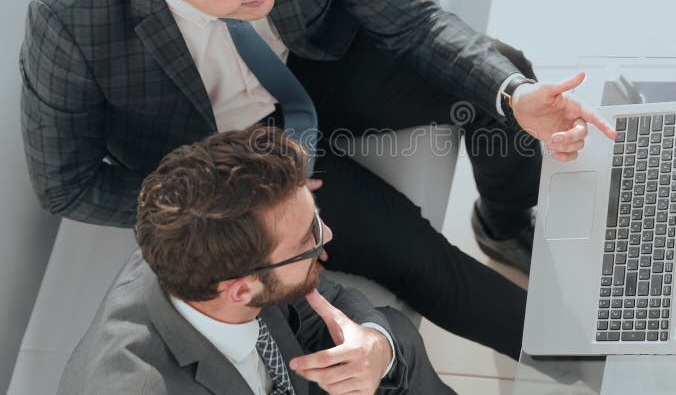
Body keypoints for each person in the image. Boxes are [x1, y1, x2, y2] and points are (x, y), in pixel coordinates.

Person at [21, 0, 615, 359]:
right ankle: (591, 355)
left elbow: (410, 21)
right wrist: (234, 206)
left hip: (316, 67)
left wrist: (511, 94)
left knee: (502, 73)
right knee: (416, 255)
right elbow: (67, 186)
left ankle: (504, 223)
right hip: (231, 159)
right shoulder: (69, 21)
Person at [58, 127, 455, 395]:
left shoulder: (198, 248)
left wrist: (376, 348)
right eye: (309, 237)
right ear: (241, 289)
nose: (327, 236)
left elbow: (327, 303)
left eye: (315, 218)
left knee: (397, 335)